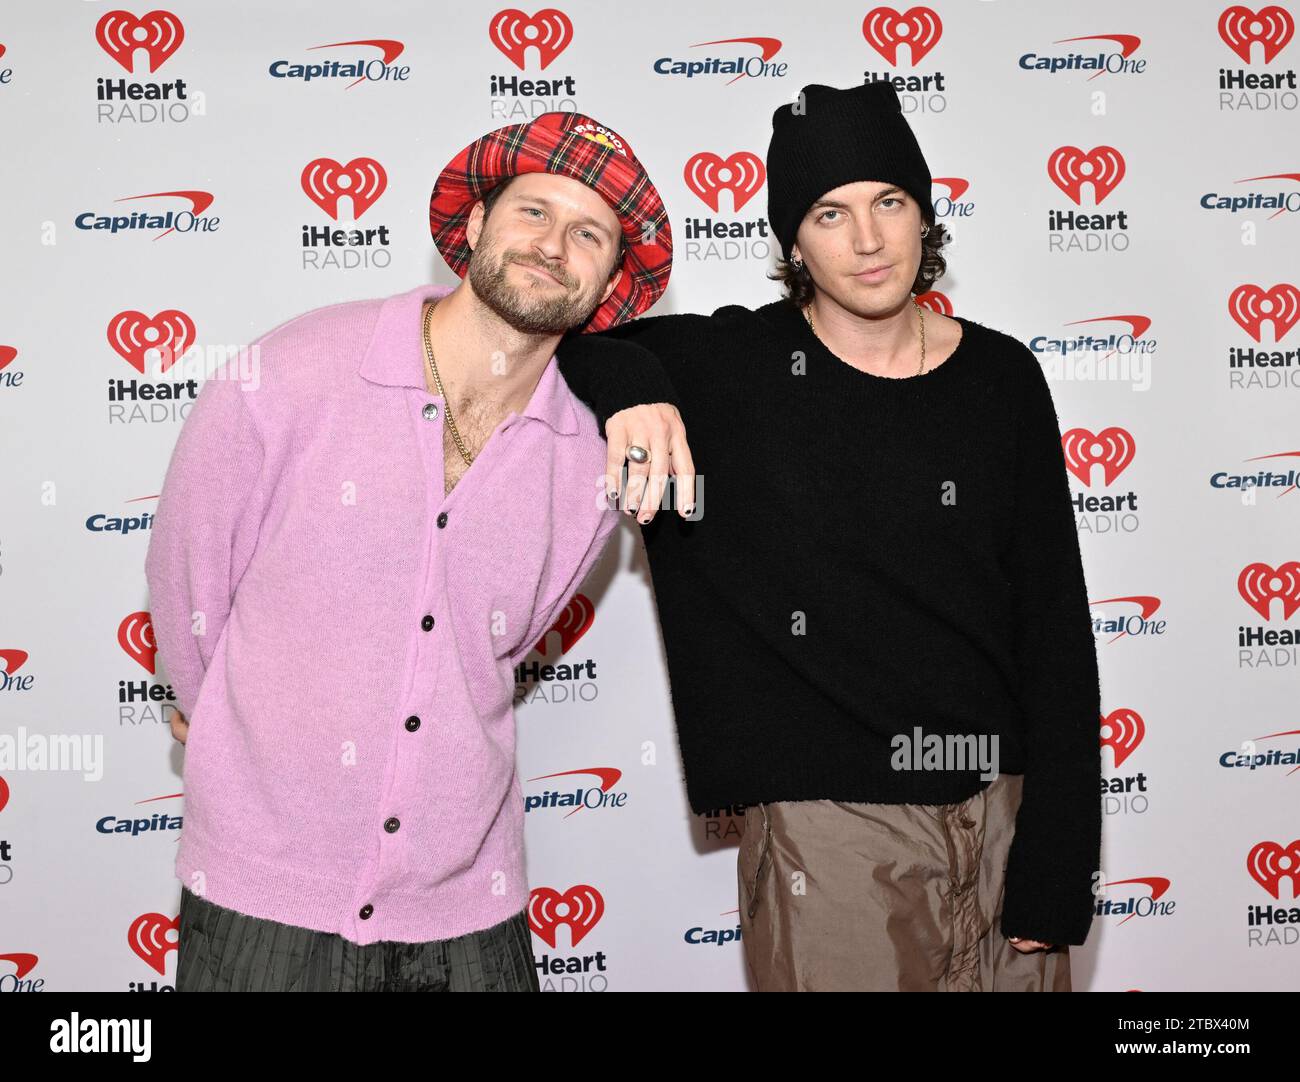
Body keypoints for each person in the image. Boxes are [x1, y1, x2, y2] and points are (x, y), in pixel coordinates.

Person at [555, 81, 1103, 991]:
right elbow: (579, 343)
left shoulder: (1004, 376)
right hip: (833, 836)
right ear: (792, 241)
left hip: (1004, 818)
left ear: (925, 215)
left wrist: (1059, 860)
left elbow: (1054, 623)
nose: (867, 238)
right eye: (828, 211)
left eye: (890, 201)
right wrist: (638, 395)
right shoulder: (736, 368)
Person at [144, 110, 675, 991]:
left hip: (470, 902)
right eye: (533, 212)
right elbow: (188, 590)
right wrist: (247, 757)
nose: (554, 246)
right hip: (264, 895)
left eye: (590, 233)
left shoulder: (591, 454)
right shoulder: (294, 370)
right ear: (473, 226)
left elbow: (503, 645)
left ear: (610, 278)